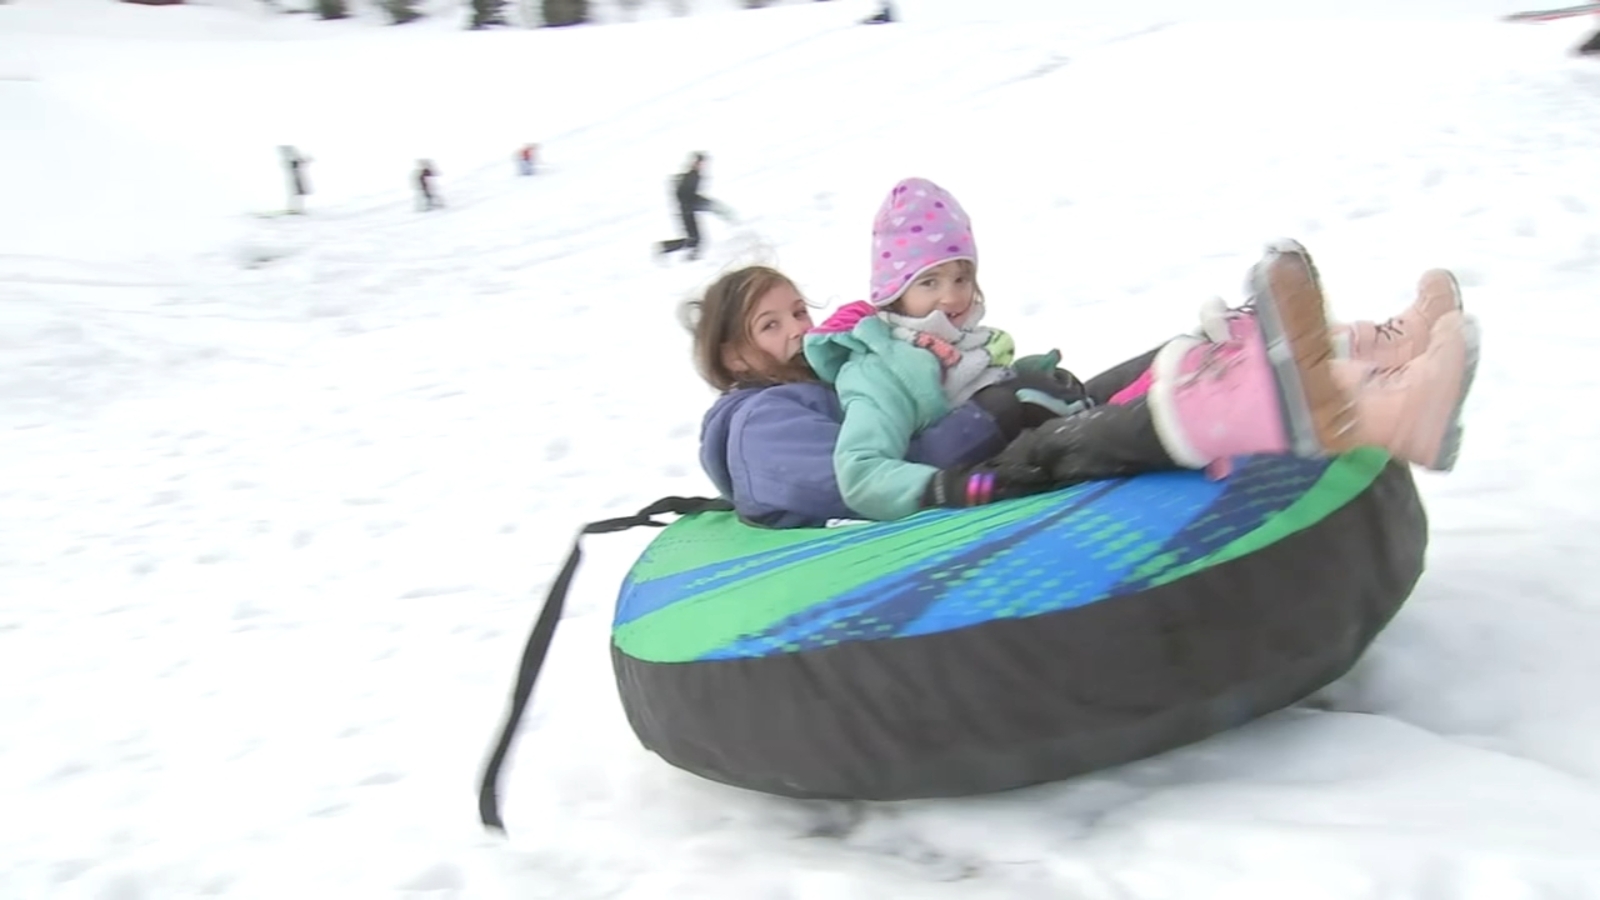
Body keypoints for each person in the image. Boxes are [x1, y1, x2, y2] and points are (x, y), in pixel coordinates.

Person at [798, 176, 1478, 521]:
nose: (949, 295)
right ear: (891, 294)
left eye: (960, 276)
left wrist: (1029, 377)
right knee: (1084, 435)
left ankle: (1370, 354)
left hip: (1040, 422)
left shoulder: (969, 343)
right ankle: (1383, 413)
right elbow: (860, 471)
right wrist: (945, 485)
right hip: (1003, 469)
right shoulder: (878, 364)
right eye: (927, 283)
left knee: (1179, 355)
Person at [657, 152, 732, 261]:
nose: (702, 165)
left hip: (688, 210)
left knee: (695, 240)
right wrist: (697, 203)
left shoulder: (693, 175)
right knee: (695, 239)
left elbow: (688, 194)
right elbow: (684, 194)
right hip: (687, 211)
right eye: (700, 162)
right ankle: (668, 248)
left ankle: (687, 256)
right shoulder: (691, 176)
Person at [279, 145, 311, 215]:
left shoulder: (294, 164)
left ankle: (296, 209)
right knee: (297, 194)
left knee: (298, 194)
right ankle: (294, 209)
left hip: (297, 179)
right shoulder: (294, 164)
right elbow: (300, 162)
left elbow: (301, 162)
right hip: (297, 180)